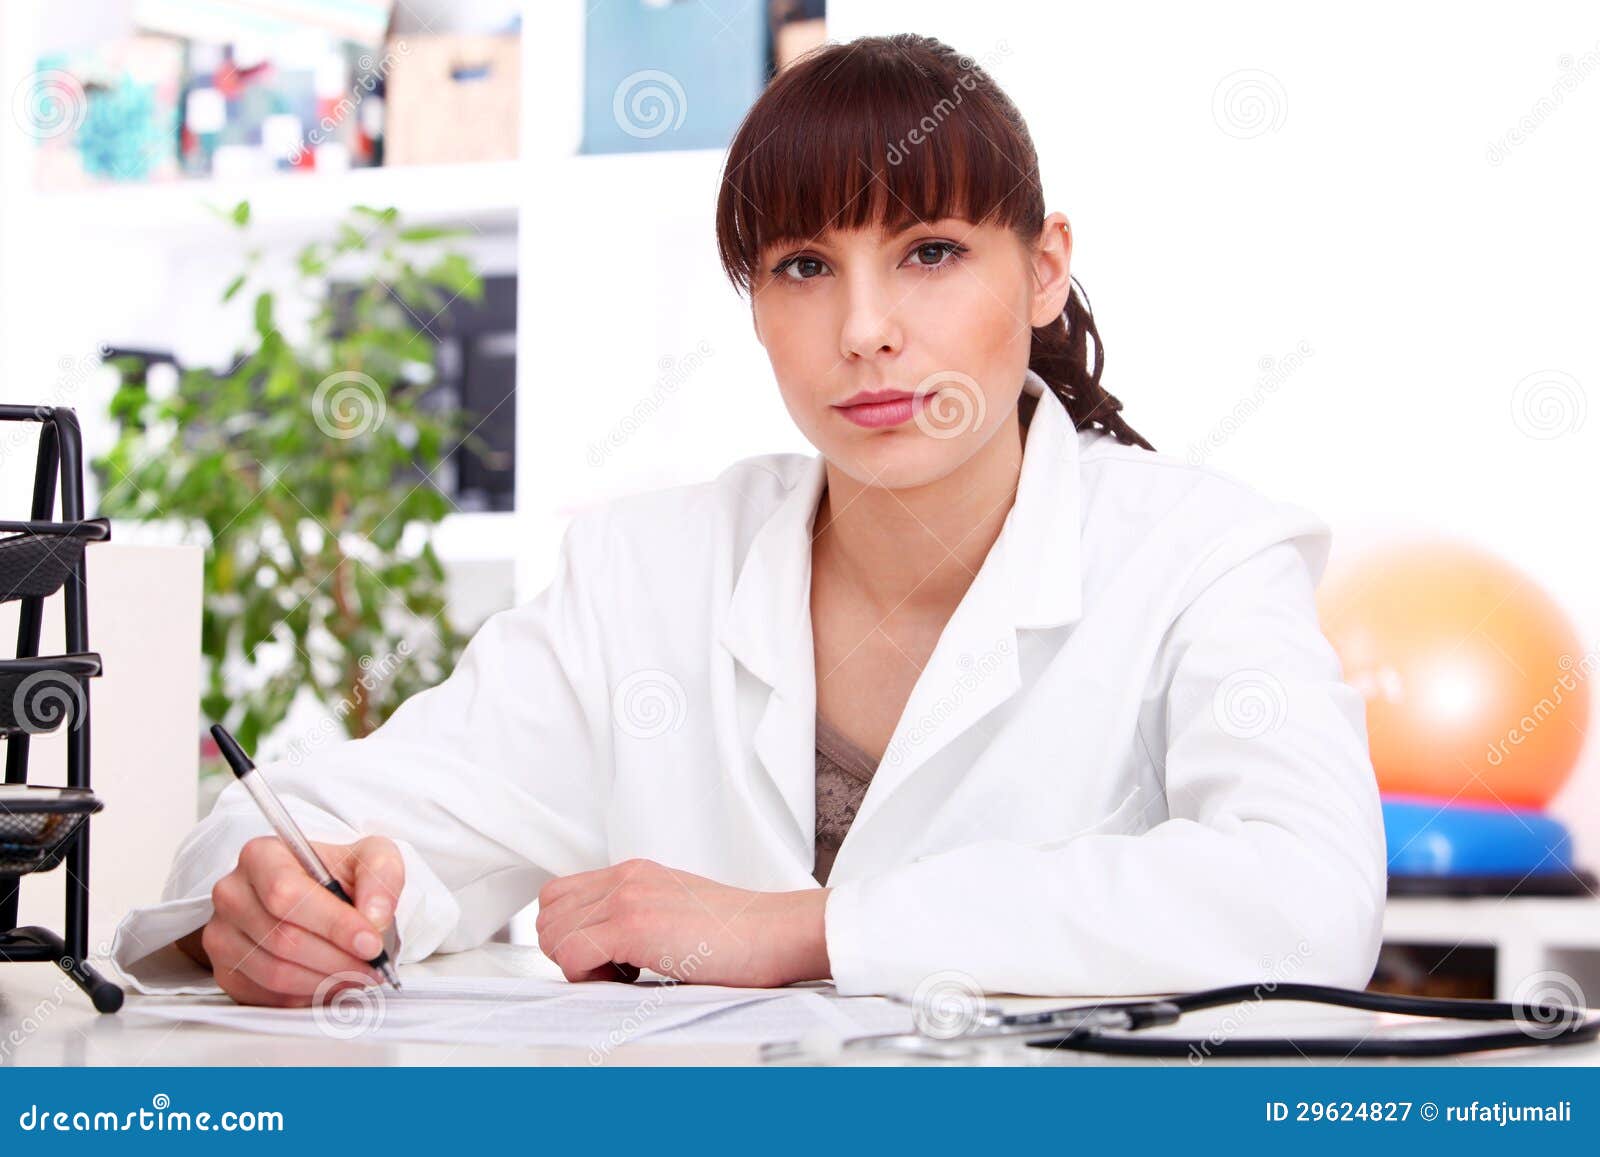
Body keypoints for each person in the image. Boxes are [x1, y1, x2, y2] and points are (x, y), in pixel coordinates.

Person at [110, 33, 1386, 1007]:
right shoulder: (649, 572)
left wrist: (803, 927)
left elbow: (1307, 894)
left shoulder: (1201, 554)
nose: (865, 328)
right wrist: (273, 894)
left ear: (1043, 266)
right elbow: (334, 808)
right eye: (802, 266)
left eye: (931, 251)